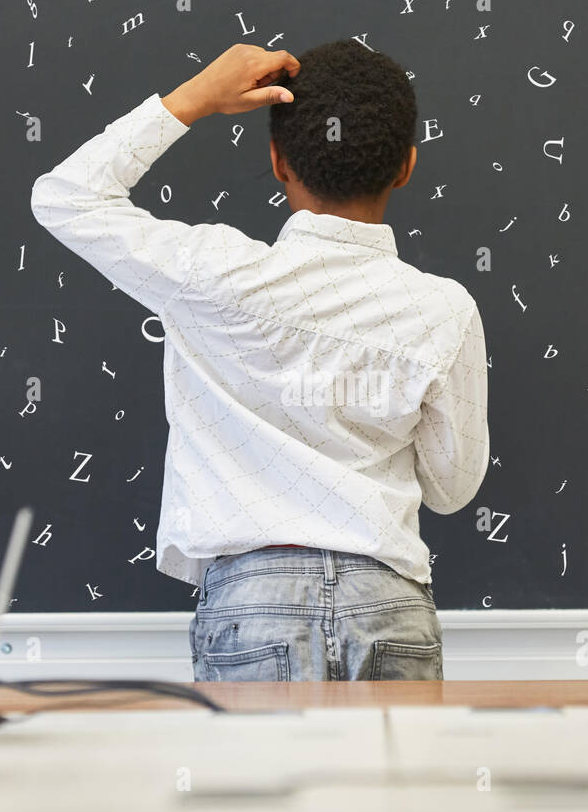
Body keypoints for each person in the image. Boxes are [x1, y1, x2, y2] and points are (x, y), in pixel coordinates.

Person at [30, 40, 488, 681]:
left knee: (258, 785)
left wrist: (194, 99)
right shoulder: (445, 310)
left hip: (254, 608)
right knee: (395, 786)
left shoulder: (209, 274)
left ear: (278, 161)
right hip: (390, 608)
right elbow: (451, 487)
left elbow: (65, 197)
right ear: (406, 166)